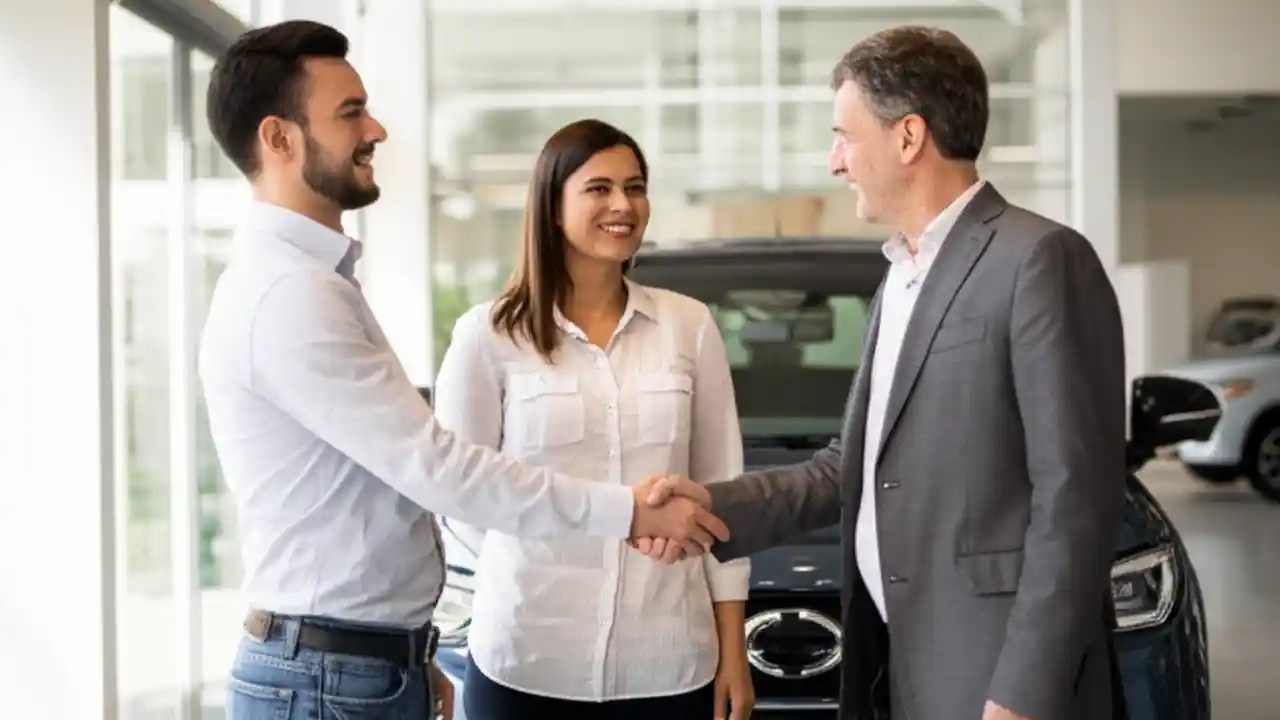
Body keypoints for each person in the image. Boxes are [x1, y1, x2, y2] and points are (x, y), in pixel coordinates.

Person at [198, 21, 728, 720]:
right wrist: (627, 509)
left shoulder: (311, 282)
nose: (377, 129)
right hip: (331, 673)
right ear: (280, 138)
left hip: (360, 663)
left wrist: (414, 655)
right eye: (350, 112)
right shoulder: (291, 294)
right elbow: (441, 470)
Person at [641, 25, 1128, 720]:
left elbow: (1074, 498)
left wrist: (1022, 695)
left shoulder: (1039, 261)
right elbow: (850, 468)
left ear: (908, 138)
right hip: (900, 661)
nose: (835, 161)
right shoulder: (899, 279)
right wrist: (707, 508)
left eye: (845, 134)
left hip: (993, 677)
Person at [432, 119, 755, 720]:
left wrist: (731, 649)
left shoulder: (689, 326)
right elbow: (462, 495)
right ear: (552, 205)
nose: (622, 205)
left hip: (668, 662)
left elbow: (724, 499)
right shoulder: (488, 335)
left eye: (635, 188)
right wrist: (533, 547)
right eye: (599, 188)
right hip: (527, 659)